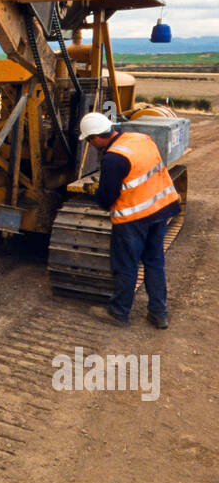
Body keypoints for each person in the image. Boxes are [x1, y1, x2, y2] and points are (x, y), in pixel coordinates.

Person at [79, 112, 180, 328]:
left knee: (126, 265)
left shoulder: (113, 158)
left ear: (96, 137)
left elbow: (107, 199)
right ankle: (159, 313)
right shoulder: (141, 138)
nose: (91, 144)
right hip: (160, 210)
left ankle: (118, 312)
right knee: (154, 262)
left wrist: (96, 192)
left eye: (89, 140)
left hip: (133, 218)